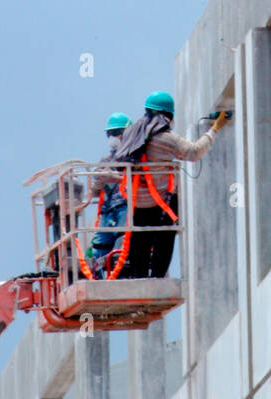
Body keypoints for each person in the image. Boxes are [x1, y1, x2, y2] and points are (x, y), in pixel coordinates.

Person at [97, 91, 231, 278]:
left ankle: (139, 278)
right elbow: (193, 153)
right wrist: (215, 128)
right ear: (168, 115)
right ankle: (158, 276)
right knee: (165, 237)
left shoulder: (131, 133)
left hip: (137, 203)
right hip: (161, 204)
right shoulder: (166, 138)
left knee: (139, 240)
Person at [84, 112, 132, 279]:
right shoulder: (106, 160)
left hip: (126, 207)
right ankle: (97, 277)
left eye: (116, 132)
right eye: (109, 134)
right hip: (108, 212)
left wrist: (114, 176)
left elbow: (139, 180)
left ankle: (119, 276)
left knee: (120, 252)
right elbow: (95, 190)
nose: (113, 137)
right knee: (96, 253)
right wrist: (99, 178)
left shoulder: (134, 158)